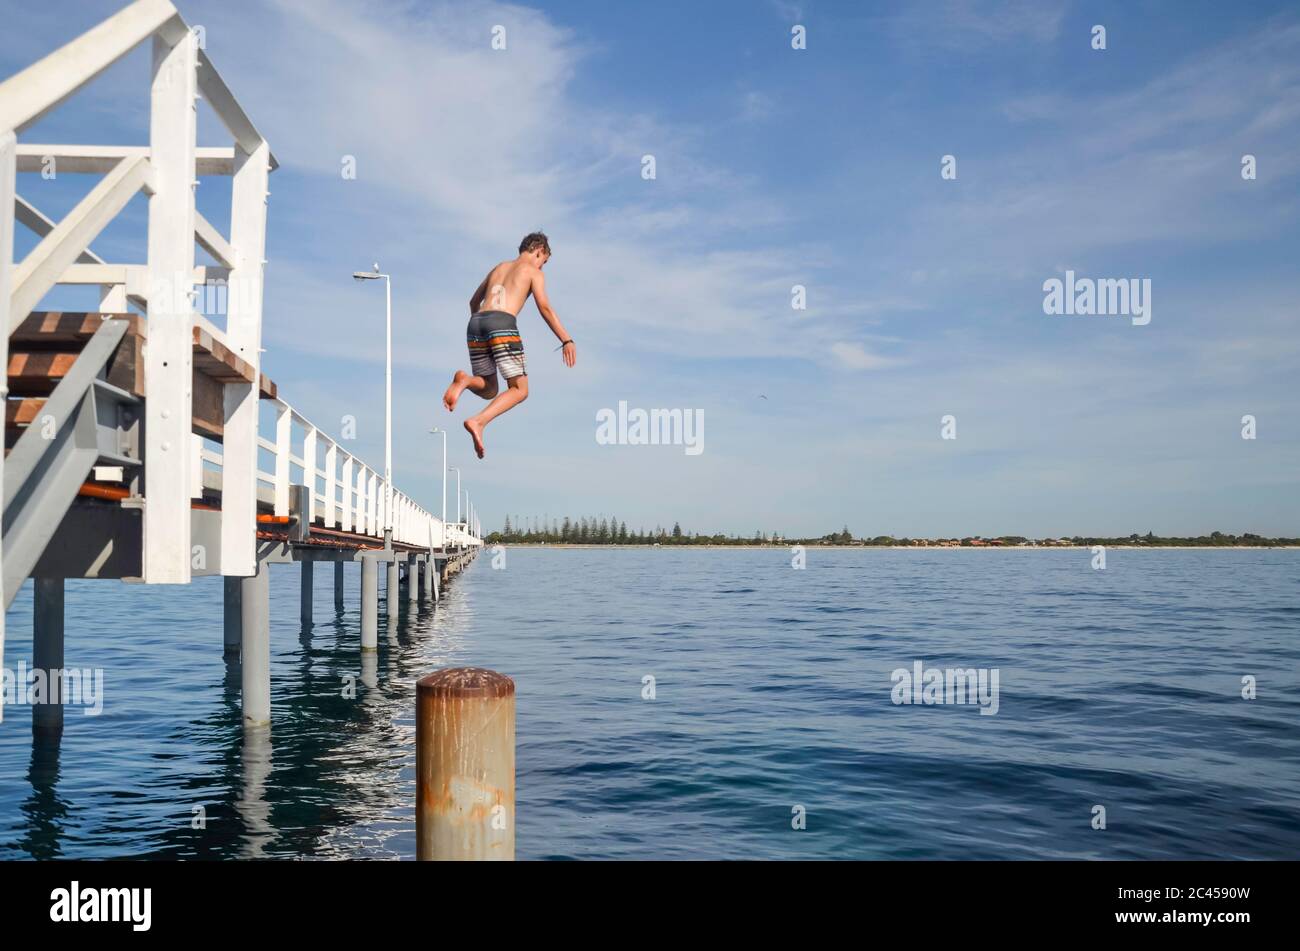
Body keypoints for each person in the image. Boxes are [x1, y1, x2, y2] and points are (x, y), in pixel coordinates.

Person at [442, 232, 576, 458]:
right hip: (502, 324)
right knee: (520, 390)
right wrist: (566, 339)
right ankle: (479, 421)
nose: (542, 268)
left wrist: (484, 334)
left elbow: (473, 302)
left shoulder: (499, 268)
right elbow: (544, 308)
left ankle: (464, 380)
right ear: (538, 251)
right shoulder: (532, 272)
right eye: (544, 262)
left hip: (476, 324)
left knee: (490, 389)